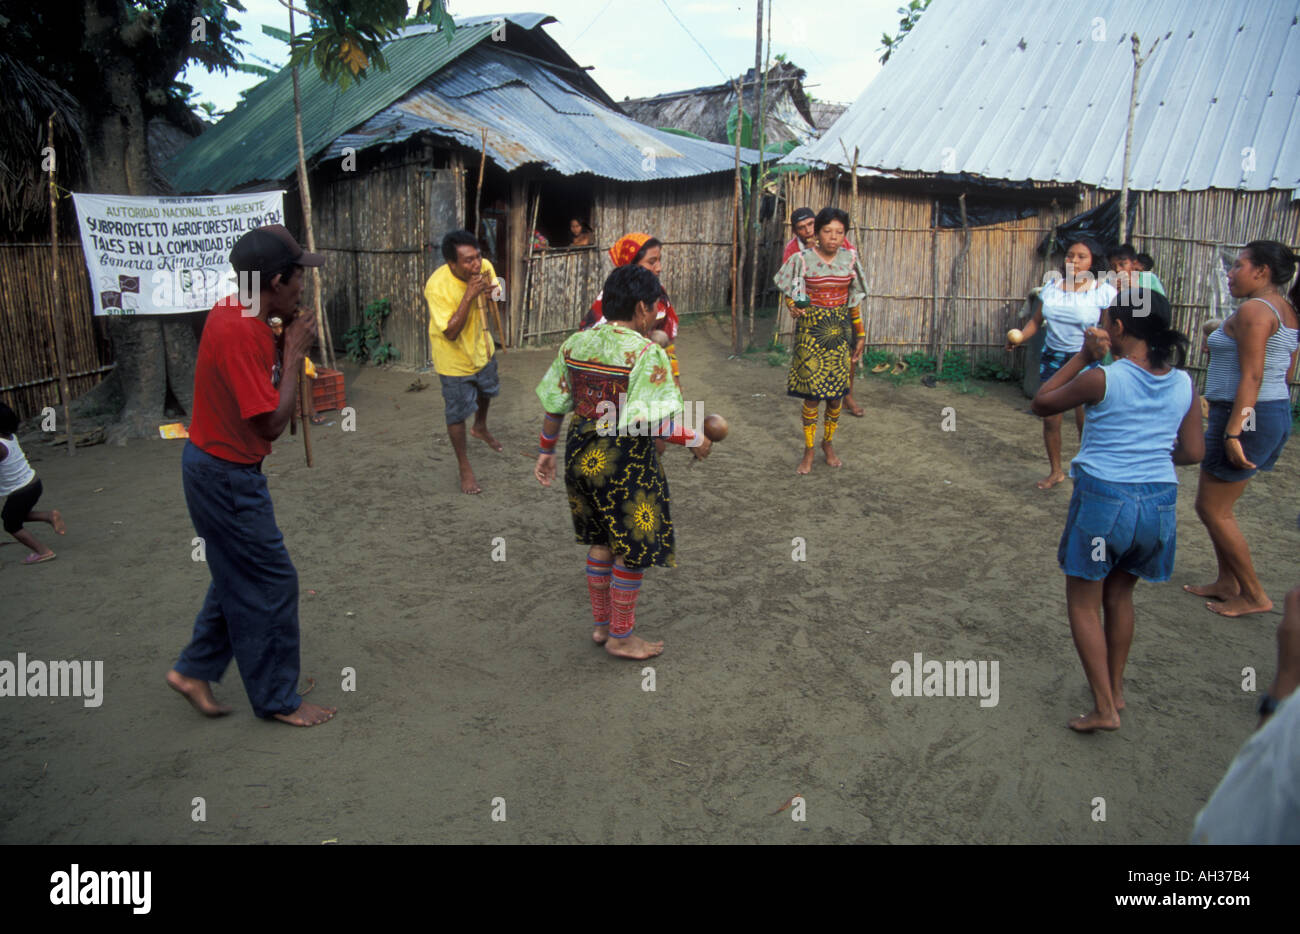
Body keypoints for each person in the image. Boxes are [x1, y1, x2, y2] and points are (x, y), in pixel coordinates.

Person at [166, 224, 336, 727]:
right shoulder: (243, 330)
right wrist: (293, 352)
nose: (303, 287)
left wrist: (282, 343)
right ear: (276, 282)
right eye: (298, 278)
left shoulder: (239, 311)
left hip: (215, 467)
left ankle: (194, 670)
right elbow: (271, 422)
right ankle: (278, 699)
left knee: (235, 573)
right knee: (273, 581)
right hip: (226, 477)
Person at [1032, 289, 1202, 732]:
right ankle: (1116, 691)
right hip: (1160, 503)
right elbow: (1193, 451)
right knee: (1120, 596)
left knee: (1084, 604)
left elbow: (1042, 402)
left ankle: (1104, 708)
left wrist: (1082, 356)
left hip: (1107, 499)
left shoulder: (1103, 378)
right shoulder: (1184, 383)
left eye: (1107, 319)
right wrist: (1150, 456)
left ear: (1120, 328)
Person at [534, 264, 710, 660]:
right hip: (622, 461)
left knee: (600, 542)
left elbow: (554, 403)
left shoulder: (575, 343)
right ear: (644, 308)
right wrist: (696, 439)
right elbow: (657, 423)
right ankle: (621, 637)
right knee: (630, 550)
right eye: (656, 309)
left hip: (579, 455)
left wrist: (546, 450)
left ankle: (601, 628)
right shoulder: (646, 353)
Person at [1184, 240, 1300, 617]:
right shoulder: (1284, 311)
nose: (1230, 273)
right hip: (1268, 409)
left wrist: (1235, 431)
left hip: (1245, 414)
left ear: (1261, 271)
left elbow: (1253, 374)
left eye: (1238, 266)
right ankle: (1227, 582)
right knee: (1215, 506)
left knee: (1213, 508)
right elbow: (1283, 371)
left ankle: (1253, 594)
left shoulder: (1254, 309)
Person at [1007, 237, 1117, 489]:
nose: (1074, 261)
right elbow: (1036, 321)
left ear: (1093, 261)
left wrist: (1104, 343)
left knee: (1085, 420)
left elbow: (1111, 328)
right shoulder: (1052, 287)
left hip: (1086, 358)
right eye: (1070, 255)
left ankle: (1087, 471)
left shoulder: (1104, 291)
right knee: (1050, 417)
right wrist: (1020, 337)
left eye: (1081, 256)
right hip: (1053, 357)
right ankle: (1056, 471)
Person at [773, 206, 867, 474]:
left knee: (836, 397)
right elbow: (791, 289)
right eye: (828, 231)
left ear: (845, 235)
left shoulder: (849, 261)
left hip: (838, 334)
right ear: (818, 232)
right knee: (812, 397)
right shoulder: (802, 260)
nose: (833, 237)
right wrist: (792, 304)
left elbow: (854, 302)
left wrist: (859, 333)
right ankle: (809, 449)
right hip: (810, 335)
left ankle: (828, 443)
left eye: (839, 232)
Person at [425, 228, 505, 495]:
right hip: (454, 359)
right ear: (452, 263)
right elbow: (450, 332)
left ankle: (480, 426)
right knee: (457, 412)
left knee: (488, 389)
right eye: (468, 260)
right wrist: (470, 295)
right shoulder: (437, 286)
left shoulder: (485, 267)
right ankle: (464, 466)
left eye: (478, 256)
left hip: (482, 347)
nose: (476, 264)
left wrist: (493, 292)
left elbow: (498, 296)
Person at [782, 207, 865, 416]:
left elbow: (850, 280)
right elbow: (792, 285)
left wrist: (860, 328)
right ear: (795, 231)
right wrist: (793, 304)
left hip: (841, 312)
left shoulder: (839, 244)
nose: (807, 230)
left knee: (849, 356)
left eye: (810, 224)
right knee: (812, 377)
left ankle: (847, 394)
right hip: (813, 317)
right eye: (801, 228)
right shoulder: (794, 251)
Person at [580, 233, 682, 385]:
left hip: (650, 369)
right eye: (651, 262)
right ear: (631, 265)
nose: (659, 268)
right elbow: (589, 346)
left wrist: (675, 377)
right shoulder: (611, 299)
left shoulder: (658, 295)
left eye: (659, 260)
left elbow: (666, 338)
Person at [0, 402, 65, 564]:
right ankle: (48, 516)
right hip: (33, 484)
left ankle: (43, 551)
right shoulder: (9, 436)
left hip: (22, 491)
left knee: (11, 525)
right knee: (11, 515)